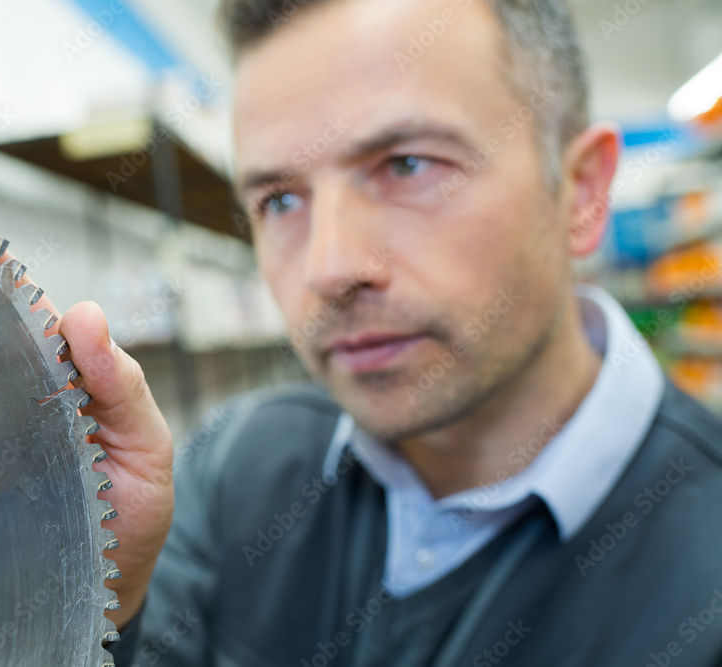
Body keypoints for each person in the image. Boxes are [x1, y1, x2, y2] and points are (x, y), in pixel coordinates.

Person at [43, 0, 722, 664]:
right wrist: (93, 602)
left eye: (406, 165)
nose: (330, 267)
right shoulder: (236, 468)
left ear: (580, 191)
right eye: (279, 201)